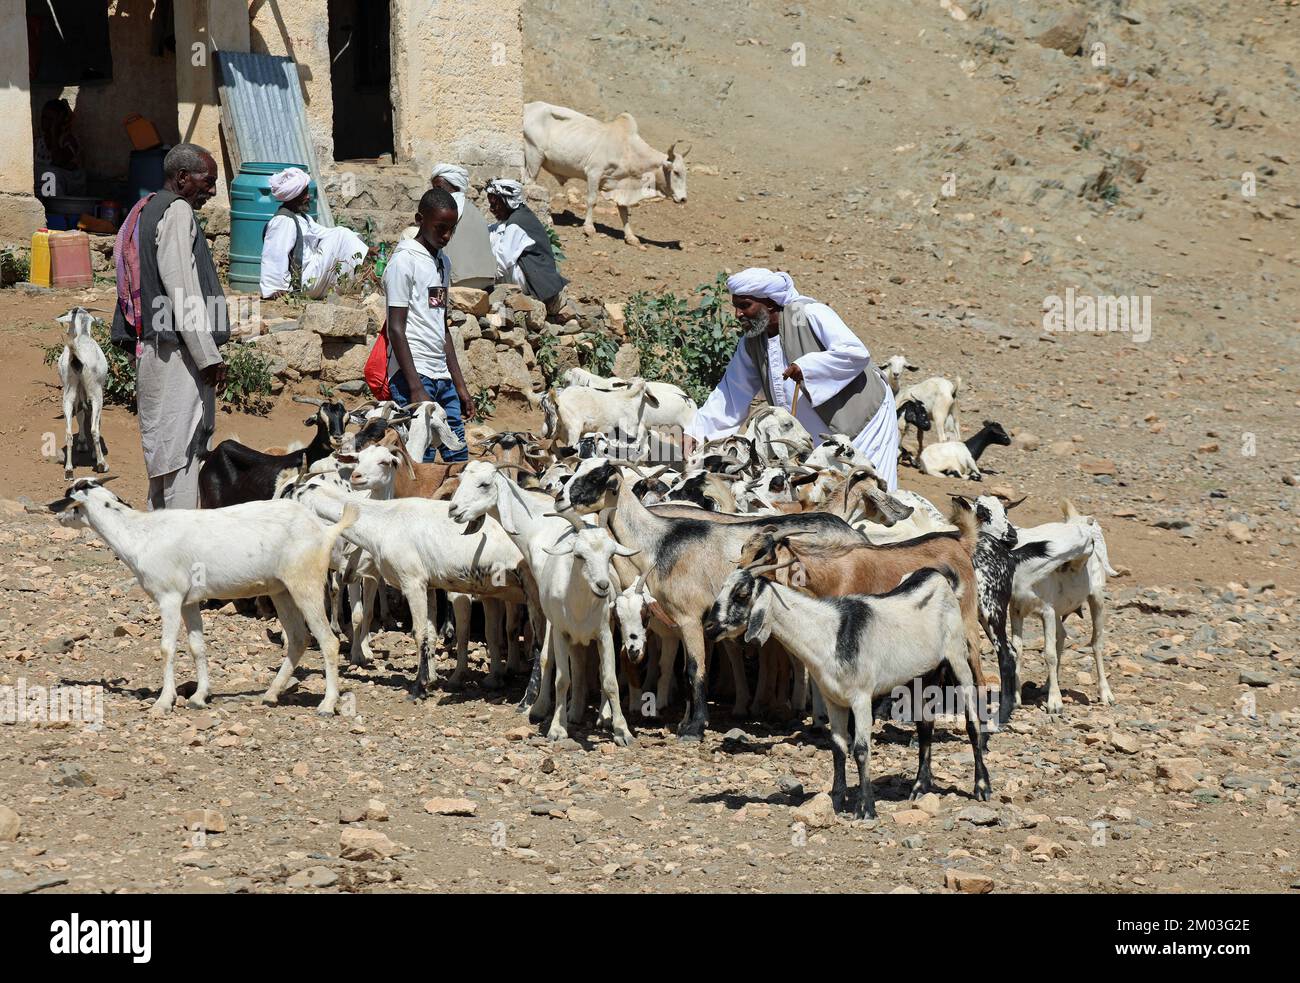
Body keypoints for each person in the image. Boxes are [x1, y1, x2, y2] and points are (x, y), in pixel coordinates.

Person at [684, 268, 900, 490]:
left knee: (871, 489)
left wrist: (807, 367)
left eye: (745, 305)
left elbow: (854, 352)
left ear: (768, 303)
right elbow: (732, 393)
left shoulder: (809, 312)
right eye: (735, 306)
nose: (738, 314)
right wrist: (698, 433)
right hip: (813, 433)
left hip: (863, 419)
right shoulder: (751, 343)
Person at [111, 143, 229, 509]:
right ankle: (179, 547)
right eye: (207, 181)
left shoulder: (144, 208)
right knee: (185, 454)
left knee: (165, 451)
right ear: (182, 178)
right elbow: (181, 287)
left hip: (155, 349)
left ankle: (159, 543)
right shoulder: (177, 211)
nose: (211, 190)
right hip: (177, 353)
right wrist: (208, 355)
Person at [383, 187, 474, 462]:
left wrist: (460, 385)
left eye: (451, 230)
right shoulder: (404, 262)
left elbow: (440, 325)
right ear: (419, 219)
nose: (446, 236)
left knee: (457, 458)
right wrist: (414, 386)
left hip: (441, 376)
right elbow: (396, 328)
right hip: (414, 374)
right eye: (440, 228)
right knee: (418, 461)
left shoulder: (442, 263)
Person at [259, 167, 368, 299]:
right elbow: (274, 257)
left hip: (312, 274)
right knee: (341, 234)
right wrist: (274, 290)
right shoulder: (283, 221)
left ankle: (356, 282)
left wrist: (361, 245)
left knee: (340, 234)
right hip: (302, 283)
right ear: (293, 196)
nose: (308, 197)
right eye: (304, 194)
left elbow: (327, 234)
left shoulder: (303, 218)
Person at [398, 163, 496, 290]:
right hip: (486, 279)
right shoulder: (473, 209)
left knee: (410, 233)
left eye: (438, 188)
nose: (435, 192)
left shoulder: (452, 206)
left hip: (459, 280)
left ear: (454, 185)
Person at [484, 178, 569, 318]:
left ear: (508, 201)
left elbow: (501, 262)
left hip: (533, 282)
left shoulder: (517, 223)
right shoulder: (519, 216)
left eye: (495, 204)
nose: (492, 209)